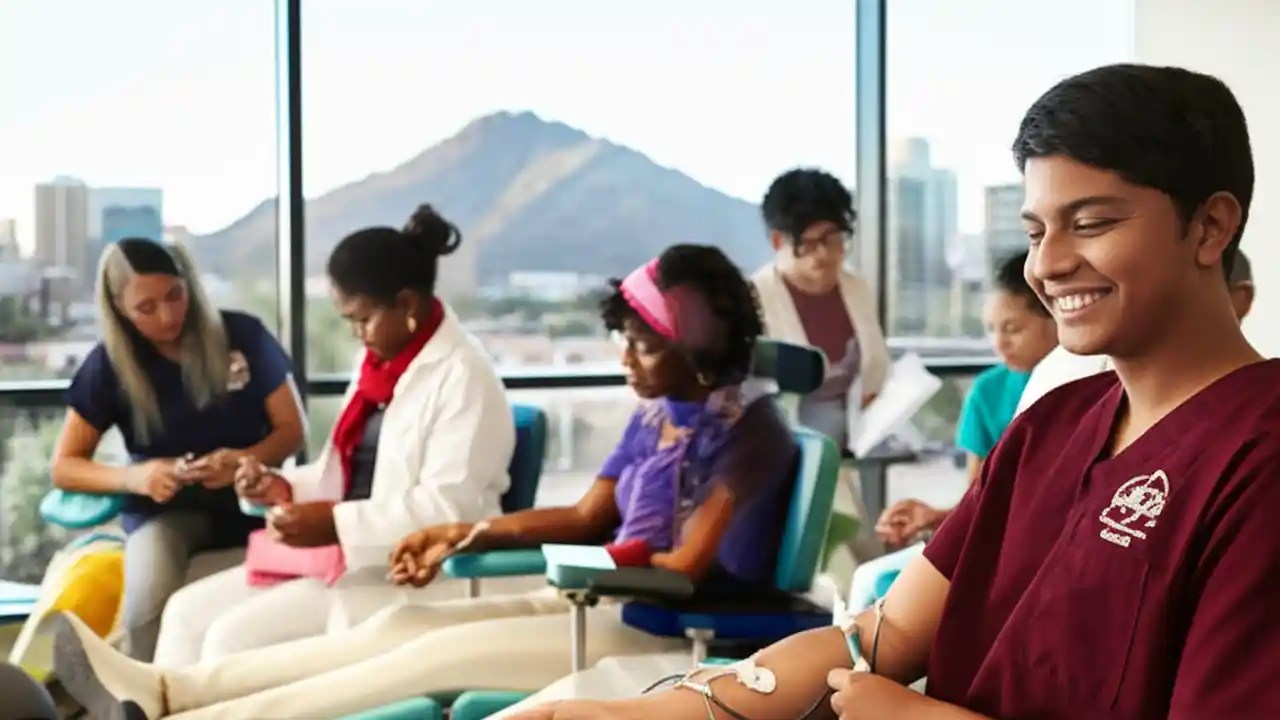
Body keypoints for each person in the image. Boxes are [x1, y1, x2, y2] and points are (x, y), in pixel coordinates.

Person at [508, 63, 1280, 720]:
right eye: (1038, 231)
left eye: (1091, 222)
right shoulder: (1054, 425)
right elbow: (879, 638)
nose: (1048, 266)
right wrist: (661, 708)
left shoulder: (1257, 456)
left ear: (1210, 229)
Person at [52, 244, 802, 719]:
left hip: (660, 629)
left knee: (420, 662)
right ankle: (167, 691)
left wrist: (569, 563)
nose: (626, 360)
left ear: (693, 345)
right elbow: (584, 515)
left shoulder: (751, 435)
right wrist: (463, 532)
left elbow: (678, 571)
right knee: (398, 628)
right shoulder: (660, 415)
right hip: (598, 596)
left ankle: (190, 715)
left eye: (641, 345)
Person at [150, 205, 515, 666]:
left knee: (230, 642)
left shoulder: (465, 377)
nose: (358, 335)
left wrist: (336, 523)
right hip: (349, 557)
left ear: (406, 303)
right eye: (349, 322)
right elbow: (344, 473)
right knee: (183, 613)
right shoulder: (381, 368)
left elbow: (448, 511)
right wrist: (278, 487)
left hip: (413, 577)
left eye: (362, 319)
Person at [50, 238, 305, 663]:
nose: (168, 316)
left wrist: (244, 460)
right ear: (119, 310)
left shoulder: (243, 335)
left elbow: (291, 430)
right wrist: (137, 476)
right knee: (146, 607)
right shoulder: (109, 365)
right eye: (146, 308)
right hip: (168, 512)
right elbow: (64, 468)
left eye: (175, 296)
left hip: (253, 501)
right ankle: (147, 701)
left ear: (189, 285)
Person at [851, 249, 1057, 610]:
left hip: (1042, 548)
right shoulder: (987, 392)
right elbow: (978, 498)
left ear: (1055, 317)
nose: (999, 343)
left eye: (1013, 328)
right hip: (997, 544)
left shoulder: (1082, 386)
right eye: (992, 329)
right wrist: (934, 517)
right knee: (871, 584)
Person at [1014, 249, 1256, 415]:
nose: (1046, 267)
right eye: (1035, 235)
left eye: (1092, 224)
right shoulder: (1063, 384)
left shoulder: (1259, 411)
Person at [751, 168, 891, 449]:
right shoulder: (755, 298)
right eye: (809, 244)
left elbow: (875, 365)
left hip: (855, 438)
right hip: (782, 444)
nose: (824, 255)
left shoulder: (856, 288)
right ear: (779, 241)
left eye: (833, 239)